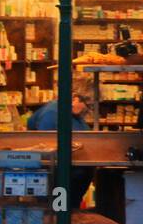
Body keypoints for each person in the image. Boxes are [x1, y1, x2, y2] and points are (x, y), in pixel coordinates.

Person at [27, 73, 96, 209]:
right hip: (60, 179)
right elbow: (47, 149)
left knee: (67, 213)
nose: (88, 109)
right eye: (87, 105)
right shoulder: (53, 114)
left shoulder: (73, 115)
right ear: (75, 98)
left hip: (71, 179)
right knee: (58, 216)